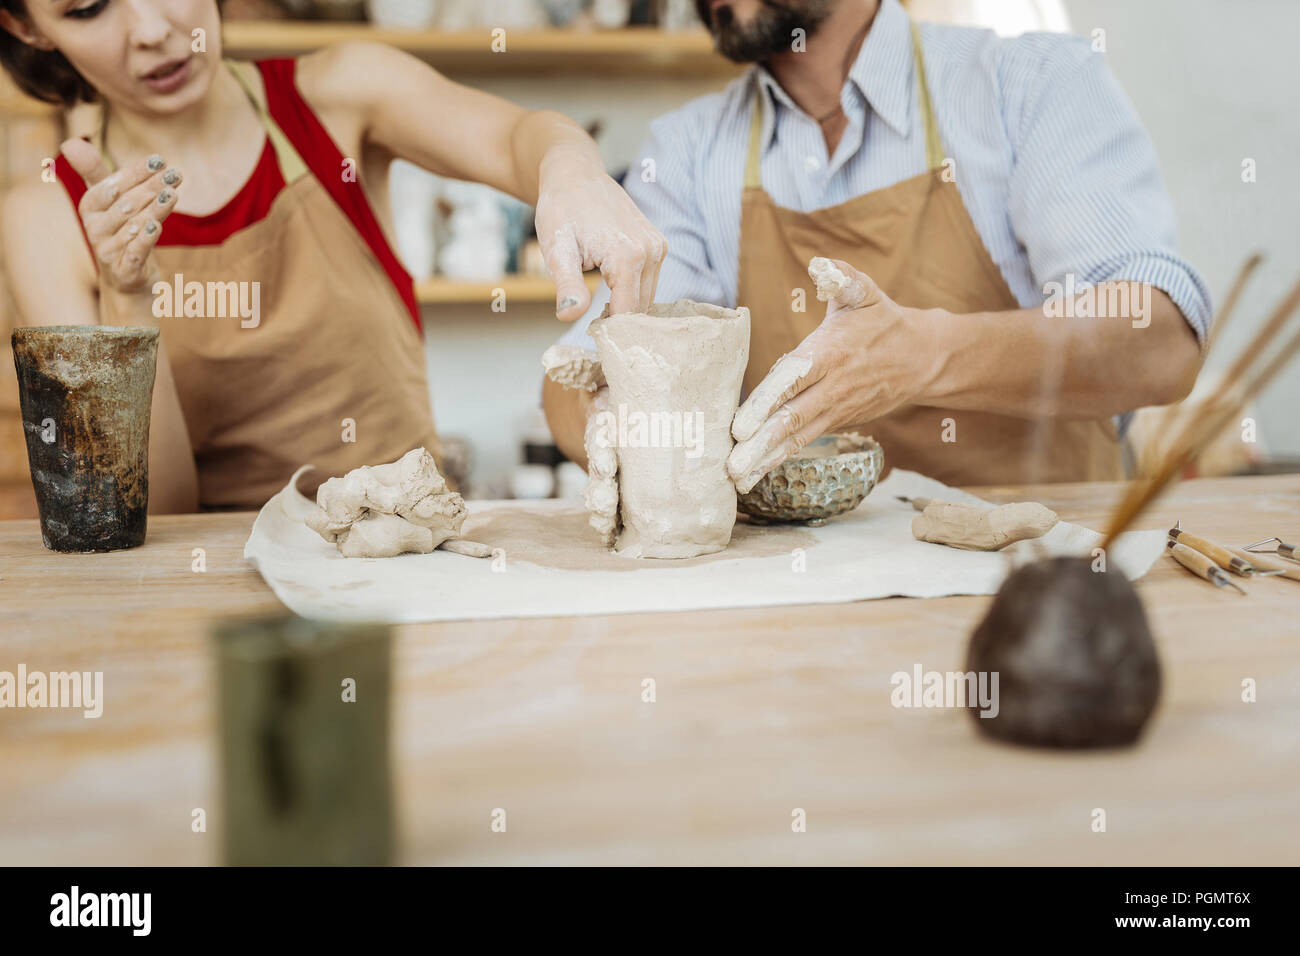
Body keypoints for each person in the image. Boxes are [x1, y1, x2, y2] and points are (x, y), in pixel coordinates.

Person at [0, 0, 664, 511]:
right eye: (87, 7)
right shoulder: (44, 220)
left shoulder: (341, 95)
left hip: (410, 557)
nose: (149, 29)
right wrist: (128, 293)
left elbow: (520, 135)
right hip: (209, 595)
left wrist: (569, 166)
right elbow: (152, 512)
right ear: (27, 26)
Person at [543, 0, 1211, 490]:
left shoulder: (1029, 83)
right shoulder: (686, 151)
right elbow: (581, 373)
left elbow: (1159, 342)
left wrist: (924, 356)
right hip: (801, 593)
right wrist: (608, 423)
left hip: (1046, 582)